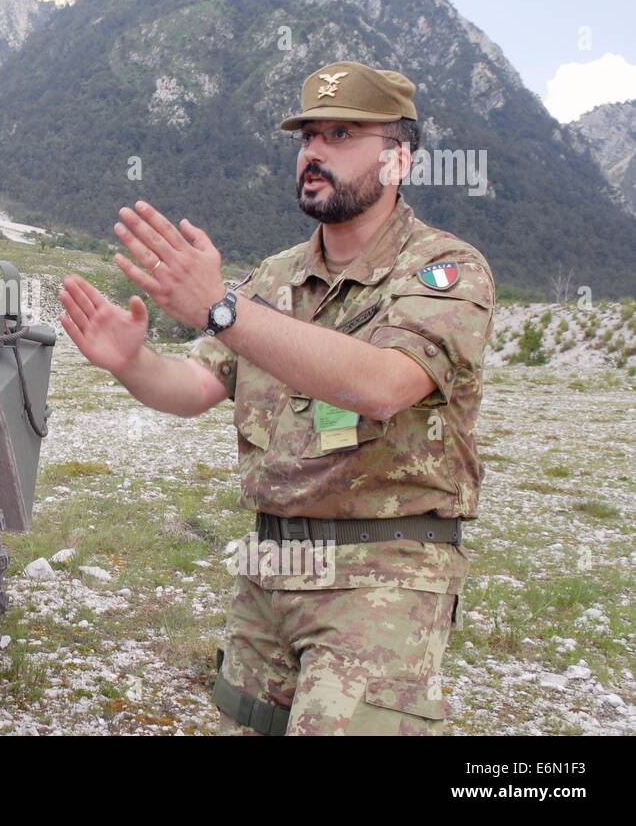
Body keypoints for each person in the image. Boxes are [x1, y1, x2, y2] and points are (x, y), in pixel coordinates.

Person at [59, 61, 495, 735]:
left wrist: (221, 309)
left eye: (342, 134)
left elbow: (383, 386)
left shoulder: (444, 271)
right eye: (308, 137)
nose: (314, 152)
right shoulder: (274, 278)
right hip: (272, 570)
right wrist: (131, 362)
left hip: (383, 576)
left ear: (398, 159)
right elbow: (198, 386)